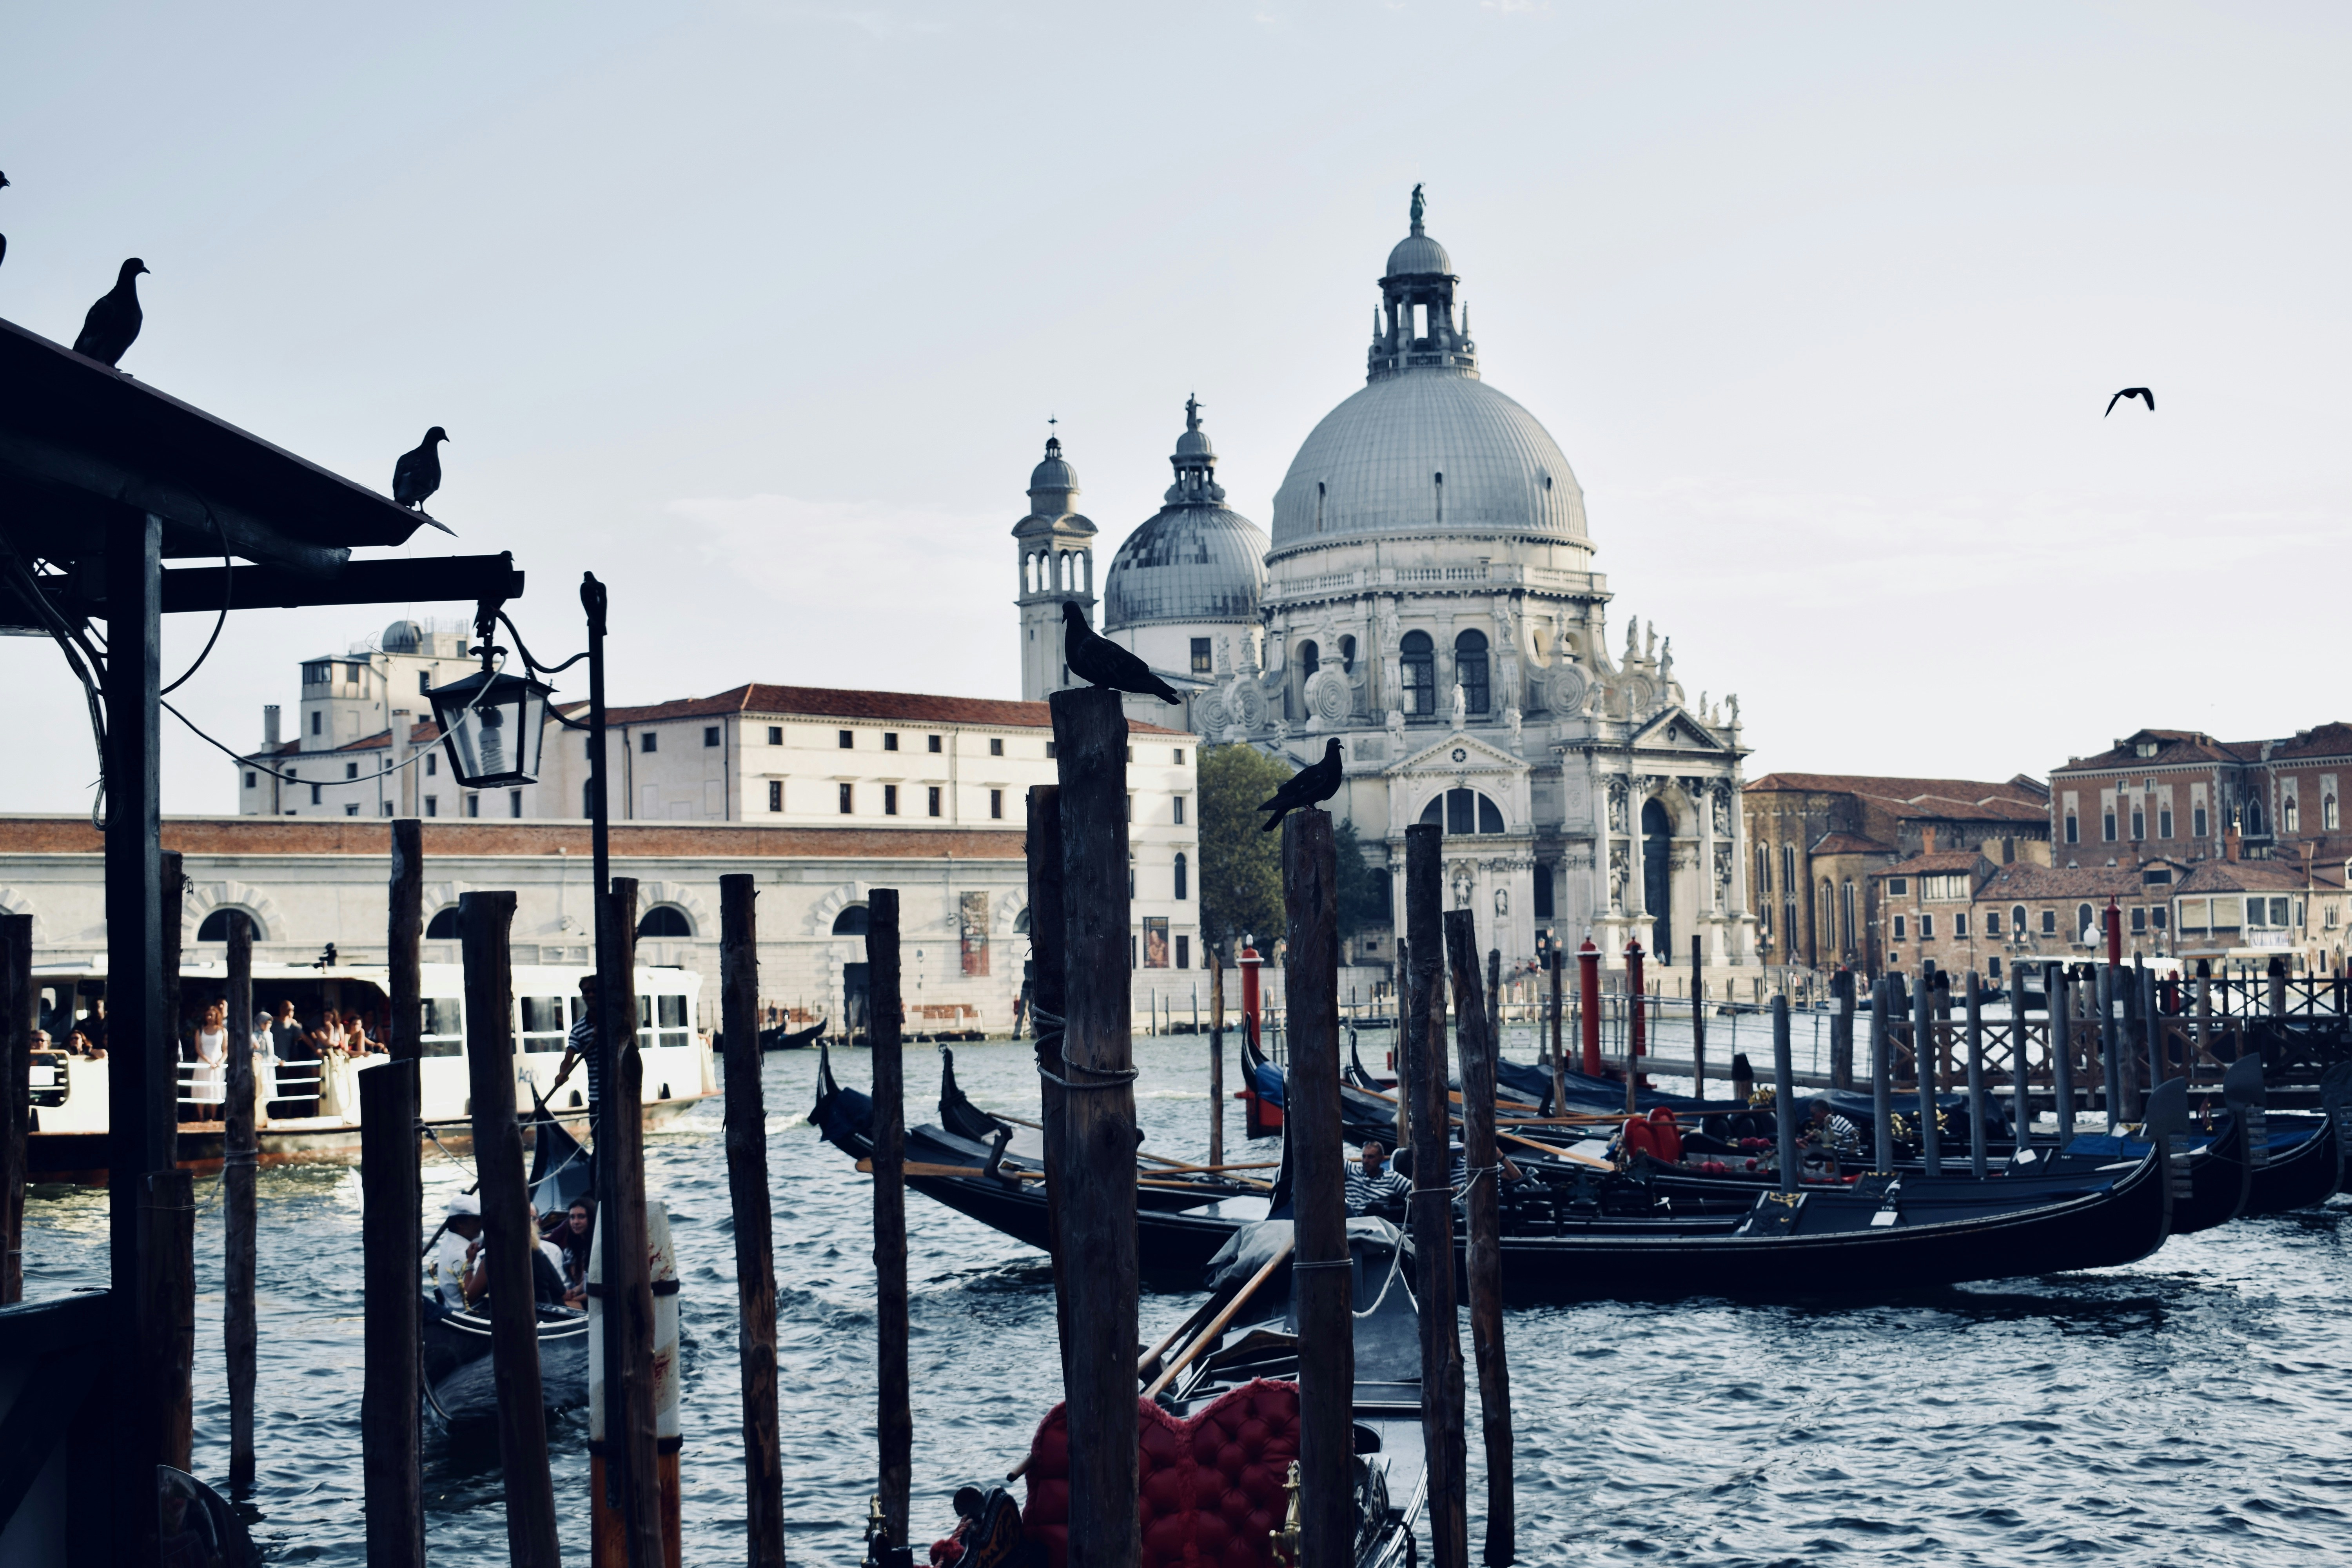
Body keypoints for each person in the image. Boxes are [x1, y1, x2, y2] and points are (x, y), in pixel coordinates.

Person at [551, 975, 602, 1122]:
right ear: (583, 996)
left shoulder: (615, 1021)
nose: (591, 995)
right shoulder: (578, 1030)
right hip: (596, 1097)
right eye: (586, 992)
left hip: (620, 1094)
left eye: (595, 991)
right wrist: (562, 1074)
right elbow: (569, 1058)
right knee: (599, 1143)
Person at [428, 1194, 483, 1308]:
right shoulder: (460, 1254)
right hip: (471, 1312)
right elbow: (469, 1298)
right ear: (460, 1224)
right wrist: (471, 1263)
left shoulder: (450, 1239)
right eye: (478, 1220)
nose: (482, 1225)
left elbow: (482, 1238)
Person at [1345, 1140, 1411, 1216]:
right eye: (1364, 1156)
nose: (1366, 1161)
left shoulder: (1392, 1178)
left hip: (1374, 1221)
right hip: (1351, 1220)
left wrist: (1390, 1211)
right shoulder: (1351, 1169)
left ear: (1382, 1159)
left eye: (1371, 1157)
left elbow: (1415, 1192)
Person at [190, 1000, 228, 1111]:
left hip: (217, 1062)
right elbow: (198, 1048)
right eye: (208, 1015)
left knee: (215, 1087)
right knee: (202, 1087)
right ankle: (201, 1116)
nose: (210, 1018)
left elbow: (226, 1050)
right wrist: (208, 1061)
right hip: (203, 1061)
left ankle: (213, 1116)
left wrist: (220, 1061)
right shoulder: (200, 1031)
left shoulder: (223, 1031)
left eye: (212, 1015)